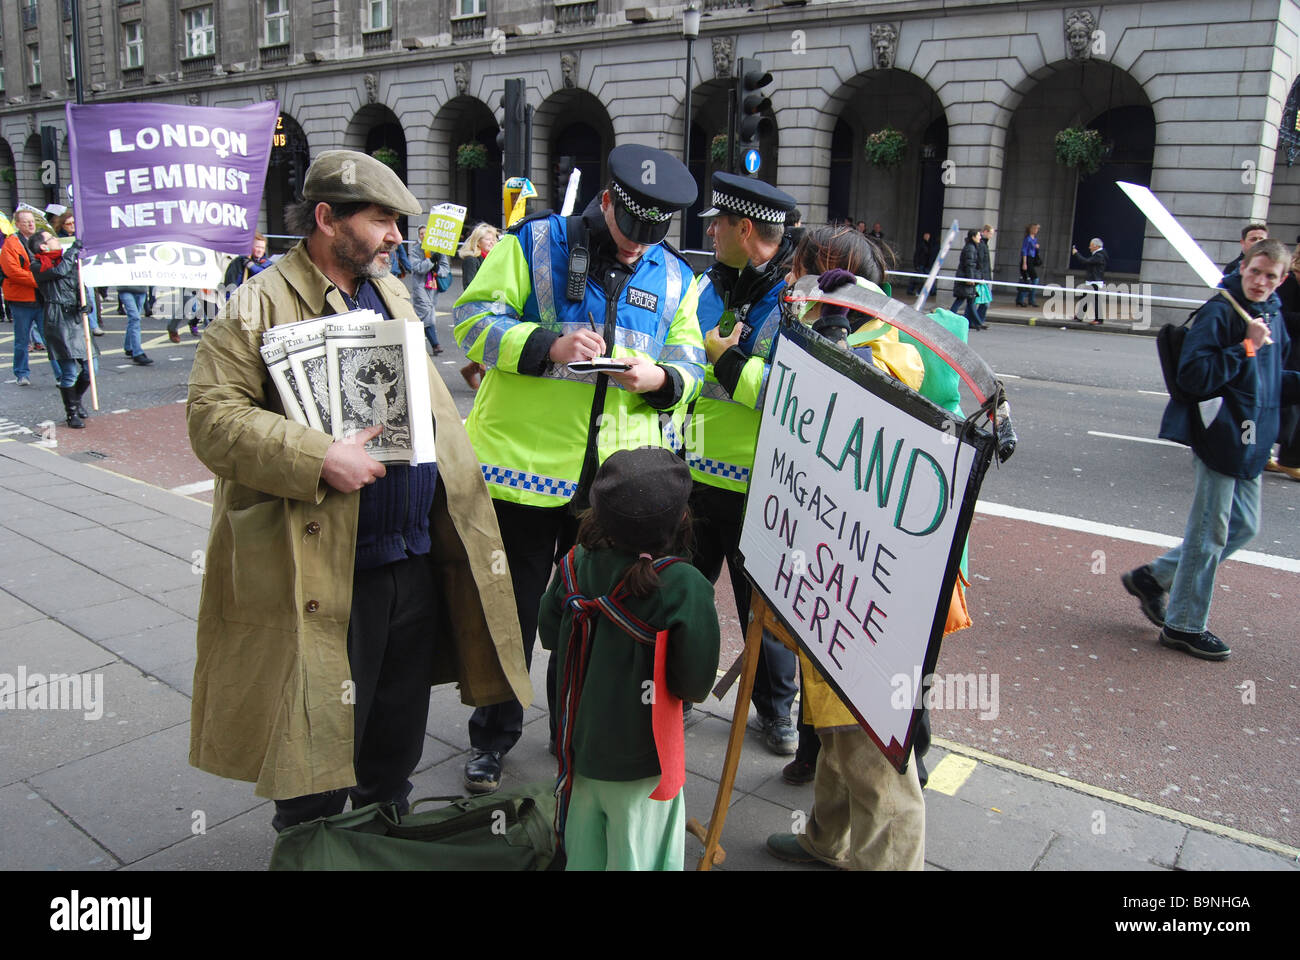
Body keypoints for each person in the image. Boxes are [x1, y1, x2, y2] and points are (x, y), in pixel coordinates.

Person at [185, 149, 531, 831]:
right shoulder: (257, 304)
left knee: (392, 749)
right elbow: (211, 420)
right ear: (325, 219)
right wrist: (318, 456)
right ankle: (314, 848)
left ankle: (382, 841)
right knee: (314, 756)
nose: (398, 236)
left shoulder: (391, 289)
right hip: (329, 575)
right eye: (381, 221)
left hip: (412, 559)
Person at [452, 143, 703, 795]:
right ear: (609, 202)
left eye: (652, 235)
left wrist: (659, 376)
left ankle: (574, 734)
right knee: (511, 613)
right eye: (629, 229)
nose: (635, 248)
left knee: (590, 614)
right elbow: (470, 321)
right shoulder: (535, 242)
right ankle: (492, 737)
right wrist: (547, 345)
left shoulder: (674, 275)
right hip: (522, 475)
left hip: (612, 489)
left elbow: (692, 364)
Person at [764, 226, 971, 870]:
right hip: (835, 577)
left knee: (874, 754)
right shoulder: (864, 340)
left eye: (797, 269)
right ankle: (827, 839)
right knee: (834, 729)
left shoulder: (873, 353)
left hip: (868, 591)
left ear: (824, 276)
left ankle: (884, 862)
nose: (787, 280)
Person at [539, 447, 721, 870]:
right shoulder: (683, 585)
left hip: (579, 753)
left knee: (583, 858)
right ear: (679, 519)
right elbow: (694, 683)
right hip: (645, 767)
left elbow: (550, 634)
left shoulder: (573, 563)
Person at [1122, 239, 1299, 661]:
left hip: (1253, 439)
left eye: (1270, 276)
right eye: (1255, 271)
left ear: (1283, 279)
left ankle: (1154, 577)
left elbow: (1271, 380)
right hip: (1222, 434)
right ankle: (1184, 625)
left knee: (1242, 528)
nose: (1260, 282)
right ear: (1244, 265)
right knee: (1210, 534)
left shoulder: (1270, 312)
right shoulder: (1221, 311)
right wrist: (1247, 346)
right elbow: (1195, 376)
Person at [686, 172, 801, 755]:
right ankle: (676, 692)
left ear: (744, 228)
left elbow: (793, 393)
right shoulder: (706, 285)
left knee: (764, 609)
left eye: (718, 223)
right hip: (693, 474)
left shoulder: (795, 300)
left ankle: (776, 712)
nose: (709, 230)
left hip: (759, 484)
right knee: (683, 591)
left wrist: (726, 364)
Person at [31, 229, 96, 428]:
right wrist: (73, 251)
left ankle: (75, 401)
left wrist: (87, 305)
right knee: (68, 371)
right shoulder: (38, 265)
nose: (56, 240)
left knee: (91, 369)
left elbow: (80, 286)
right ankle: (72, 413)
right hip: (58, 320)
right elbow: (58, 273)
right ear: (43, 246)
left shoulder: (69, 261)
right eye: (51, 238)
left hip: (76, 317)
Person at [1265, 243, 1300, 480]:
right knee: (1277, 404)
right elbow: (1280, 317)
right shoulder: (1285, 283)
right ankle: (1262, 450)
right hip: (1286, 352)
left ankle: (1290, 459)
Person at [4, 209, 46, 386]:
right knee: (22, 340)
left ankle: (61, 373)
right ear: (18, 224)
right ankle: (22, 373)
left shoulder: (40, 240)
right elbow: (12, 272)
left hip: (42, 298)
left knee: (50, 339)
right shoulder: (11, 243)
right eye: (26, 222)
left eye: (32, 221)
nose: (31, 224)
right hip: (22, 300)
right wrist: (38, 280)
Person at [456, 222, 500, 390]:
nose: (492, 242)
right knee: (485, 356)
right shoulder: (471, 260)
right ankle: (485, 393)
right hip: (478, 310)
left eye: (493, 239)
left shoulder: (494, 258)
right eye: (487, 239)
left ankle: (468, 372)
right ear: (477, 242)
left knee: (489, 348)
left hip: (495, 308)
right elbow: (469, 287)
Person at [50, 211, 103, 338]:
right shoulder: (58, 239)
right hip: (68, 276)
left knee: (89, 297)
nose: (72, 226)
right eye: (68, 224)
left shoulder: (82, 236)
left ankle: (94, 325)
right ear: (62, 225)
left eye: (74, 223)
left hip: (84, 272)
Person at [411, 225, 451, 356]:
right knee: (426, 311)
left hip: (433, 287)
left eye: (426, 233)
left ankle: (414, 342)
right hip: (420, 286)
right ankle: (436, 344)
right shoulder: (415, 249)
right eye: (421, 234)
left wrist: (437, 268)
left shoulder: (438, 250)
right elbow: (417, 268)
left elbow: (445, 270)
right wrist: (430, 261)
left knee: (425, 315)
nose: (424, 236)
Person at [1071, 237, 1107, 324]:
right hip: (1092, 281)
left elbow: (1086, 261)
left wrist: (1076, 254)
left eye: (1091, 245)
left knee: (1095, 300)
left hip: (1095, 282)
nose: (1089, 247)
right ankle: (1080, 316)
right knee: (1084, 298)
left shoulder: (1099, 255)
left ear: (1096, 246)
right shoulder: (1099, 254)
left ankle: (1099, 320)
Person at [951, 228, 982, 329]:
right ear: (973, 237)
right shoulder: (970, 248)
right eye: (978, 235)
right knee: (961, 300)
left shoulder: (972, 247)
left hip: (967, 277)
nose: (980, 237)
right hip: (966, 278)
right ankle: (949, 318)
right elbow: (969, 264)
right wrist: (970, 278)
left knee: (970, 301)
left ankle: (978, 323)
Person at [117, 283, 154, 366]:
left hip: (141, 289)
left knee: (133, 320)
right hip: (125, 288)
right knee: (135, 318)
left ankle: (129, 347)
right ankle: (138, 353)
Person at [973, 223, 994, 328]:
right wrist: (981, 277)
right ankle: (978, 321)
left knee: (980, 301)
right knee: (984, 302)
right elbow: (980, 262)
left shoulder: (984, 244)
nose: (991, 236)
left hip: (985, 276)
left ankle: (977, 321)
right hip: (982, 277)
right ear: (985, 232)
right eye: (990, 233)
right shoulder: (981, 244)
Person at [1016, 222, 1041, 308]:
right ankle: (1025, 299)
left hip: (1032, 260)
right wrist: (1024, 263)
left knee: (1028, 279)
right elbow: (1024, 251)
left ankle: (1023, 299)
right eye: (1036, 228)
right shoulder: (1028, 239)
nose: (1037, 230)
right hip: (1027, 260)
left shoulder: (1034, 239)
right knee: (1029, 279)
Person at [908, 229, 937, 297]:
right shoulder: (921, 245)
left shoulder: (929, 245)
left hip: (926, 265)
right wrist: (916, 264)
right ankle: (913, 290)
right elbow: (917, 255)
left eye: (928, 236)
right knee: (919, 279)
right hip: (921, 264)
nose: (927, 238)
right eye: (926, 236)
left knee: (923, 278)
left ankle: (932, 291)